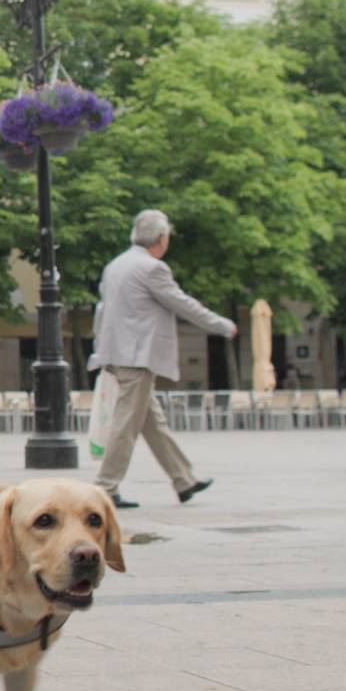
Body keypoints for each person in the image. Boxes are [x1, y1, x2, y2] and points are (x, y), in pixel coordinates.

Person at [88, 210, 236, 509]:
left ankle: (184, 480)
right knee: (126, 425)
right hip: (137, 357)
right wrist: (221, 325)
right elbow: (183, 304)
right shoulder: (151, 268)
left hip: (118, 353)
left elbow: (102, 310)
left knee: (152, 423)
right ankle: (105, 488)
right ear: (161, 238)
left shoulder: (116, 265)